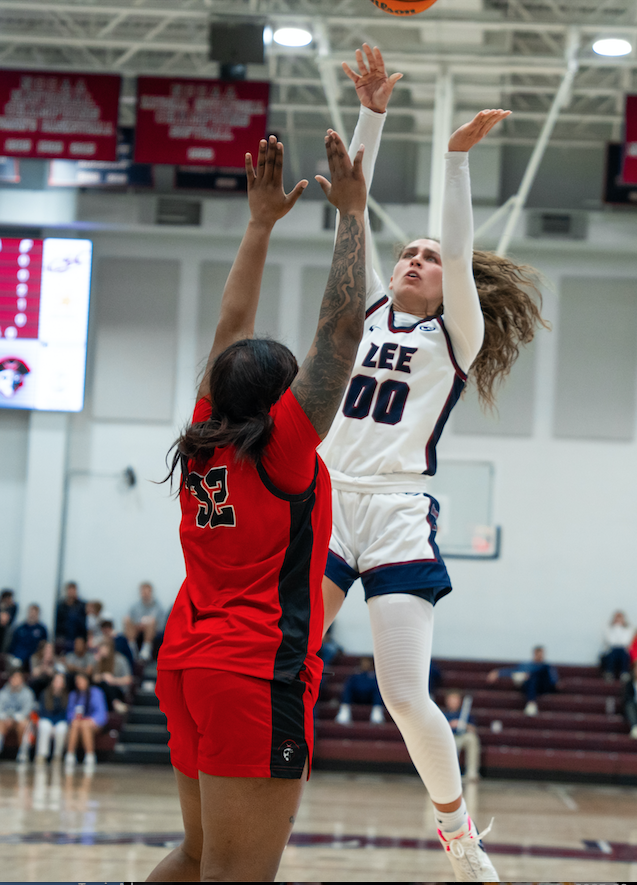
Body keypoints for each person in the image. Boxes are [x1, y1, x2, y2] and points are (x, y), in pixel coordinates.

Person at [319, 44, 547, 882]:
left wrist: (452, 161)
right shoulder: (361, 308)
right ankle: (262, 781)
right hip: (324, 496)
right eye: (405, 253)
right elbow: (350, 205)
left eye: (425, 255)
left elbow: (456, 256)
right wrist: (371, 114)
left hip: (394, 509)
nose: (413, 259)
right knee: (288, 654)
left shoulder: (457, 334)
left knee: (403, 694)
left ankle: (456, 836)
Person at [148, 129, 367, 883]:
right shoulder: (281, 451)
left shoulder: (204, 436)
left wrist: (259, 223)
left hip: (187, 662)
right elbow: (340, 331)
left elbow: (229, 327)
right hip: (250, 674)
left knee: (200, 855)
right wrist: (352, 213)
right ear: (283, 402)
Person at [487, 645, 559, 715]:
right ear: (534, 654)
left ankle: (531, 702)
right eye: (539, 654)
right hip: (529, 685)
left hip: (543, 686)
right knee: (530, 677)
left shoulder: (547, 667)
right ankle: (531, 702)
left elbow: (553, 681)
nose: (541, 656)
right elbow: (513, 671)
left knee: (534, 674)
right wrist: (498, 673)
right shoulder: (526, 665)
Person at [64, 672, 108, 773]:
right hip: (78, 722)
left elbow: (101, 713)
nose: (79, 683)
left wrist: (90, 720)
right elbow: (69, 713)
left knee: (85, 725)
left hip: (94, 723)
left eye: (81, 681)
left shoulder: (96, 692)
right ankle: (70, 755)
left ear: (87, 681)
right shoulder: (73, 695)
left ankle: (90, 755)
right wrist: (75, 717)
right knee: (75, 724)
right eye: (77, 681)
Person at [443, 690, 481, 782]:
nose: (454, 702)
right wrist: (450, 725)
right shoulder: (442, 714)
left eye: (456, 699)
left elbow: (474, 730)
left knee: (472, 739)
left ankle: (472, 773)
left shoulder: (465, 714)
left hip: (463, 737)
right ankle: (445, 774)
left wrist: (464, 725)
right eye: (452, 699)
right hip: (449, 738)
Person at [123, 582, 165, 662]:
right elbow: (131, 618)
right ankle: (132, 648)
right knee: (126, 619)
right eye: (143, 592)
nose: (145, 594)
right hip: (137, 629)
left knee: (151, 621)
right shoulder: (135, 606)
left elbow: (161, 623)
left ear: (151, 592)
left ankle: (146, 649)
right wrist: (139, 624)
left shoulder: (158, 606)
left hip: (152, 629)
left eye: (147, 592)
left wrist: (147, 623)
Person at [335, 655, 385, 723]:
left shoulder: (375, 676)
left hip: (370, 698)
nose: (365, 664)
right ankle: (345, 709)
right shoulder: (355, 675)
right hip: (356, 697)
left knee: (378, 688)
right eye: (364, 662)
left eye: (367, 662)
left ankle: (377, 711)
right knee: (348, 686)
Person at [0, 669, 36, 761]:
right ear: (10, 679)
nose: (15, 680)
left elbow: (27, 711)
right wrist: (7, 718)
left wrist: (14, 717)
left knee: (24, 724)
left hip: (20, 720)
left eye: (18, 678)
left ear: (22, 680)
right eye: (14, 678)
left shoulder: (28, 693)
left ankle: (23, 753)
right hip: (5, 720)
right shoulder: (3, 692)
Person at [92, 638, 132, 713]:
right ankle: (115, 704)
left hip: (118, 689)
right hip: (102, 689)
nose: (101, 651)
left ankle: (116, 703)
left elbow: (128, 679)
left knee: (108, 685)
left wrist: (113, 680)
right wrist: (103, 676)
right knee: (100, 685)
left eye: (103, 648)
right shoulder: (99, 661)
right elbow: (94, 678)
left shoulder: (120, 660)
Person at [35, 672, 69, 762]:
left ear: (64, 684)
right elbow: (43, 713)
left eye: (60, 681)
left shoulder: (66, 696)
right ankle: (42, 755)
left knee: (61, 728)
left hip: (60, 721)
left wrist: (55, 724)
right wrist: (52, 724)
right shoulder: (44, 694)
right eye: (56, 681)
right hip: (47, 720)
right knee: (44, 725)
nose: (58, 683)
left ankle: (57, 755)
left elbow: (65, 714)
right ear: (52, 682)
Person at [54, 581, 87, 651]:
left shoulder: (82, 606)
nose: (71, 592)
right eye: (70, 590)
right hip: (63, 638)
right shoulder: (60, 606)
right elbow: (57, 623)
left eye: (73, 590)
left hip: (78, 638)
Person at [601, 610, 632, 681]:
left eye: (620, 618)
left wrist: (620, 628)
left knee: (622, 652)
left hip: (622, 651)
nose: (618, 620)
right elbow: (610, 641)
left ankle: (624, 673)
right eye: (617, 618)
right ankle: (609, 673)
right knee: (613, 651)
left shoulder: (628, 629)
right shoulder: (608, 629)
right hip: (612, 650)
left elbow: (625, 642)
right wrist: (616, 628)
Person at [623, 659, 637, 739]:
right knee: (629, 705)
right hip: (633, 706)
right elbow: (626, 698)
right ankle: (635, 728)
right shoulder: (629, 683)